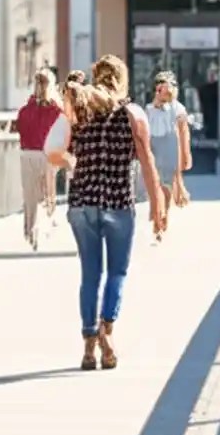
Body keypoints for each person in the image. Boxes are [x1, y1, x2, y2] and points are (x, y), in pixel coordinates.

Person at [65, 55, 164, 372]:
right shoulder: (133, 114)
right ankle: (106, 333)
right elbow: (147, 162)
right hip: (119, 203)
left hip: (82, 202)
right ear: (122, 81)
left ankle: (88, 345)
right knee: (117, 272)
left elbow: (62, 150)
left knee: (89, 274)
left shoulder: (80, 111)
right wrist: (158, 205)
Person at [15, 68, 64, 250]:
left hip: (28, 154)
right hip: (47, 155)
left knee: (30, 196)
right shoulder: (57, 110)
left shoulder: (25, 110)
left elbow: (20, 128)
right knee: (46, 194)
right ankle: (44, 227)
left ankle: (30, 230)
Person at [145, 71, 192, 240]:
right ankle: (158, 216)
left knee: (167, 186)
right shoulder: (149, 109)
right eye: (160, 89)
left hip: (171, 149)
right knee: (155, 186)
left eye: (167, 88)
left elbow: (184, 132)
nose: (163, 92)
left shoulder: (177, 108)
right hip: (154, 149)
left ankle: (163, 215)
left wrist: (186, 155)